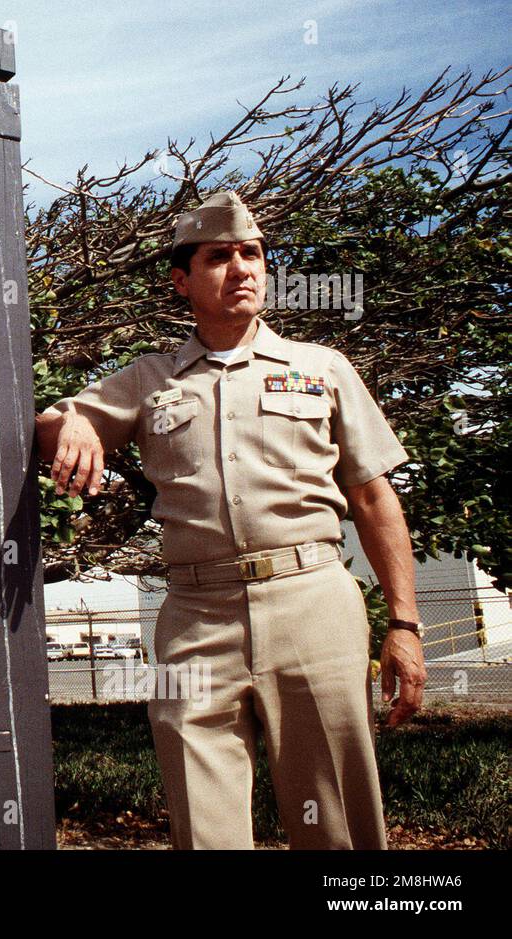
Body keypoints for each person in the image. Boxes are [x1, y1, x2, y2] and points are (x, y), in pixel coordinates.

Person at [34, 191, 428, 849]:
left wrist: (405, 623)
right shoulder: (148, 379)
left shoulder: (322, 368)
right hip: (195, 613)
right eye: (220, 256)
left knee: (337, 822)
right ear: (183, 280)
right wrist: (69, 416)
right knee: (204, 824)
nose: (243, 268)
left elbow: (373, 498)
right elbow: (49, 437)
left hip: (313, 603)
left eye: (253, 254)